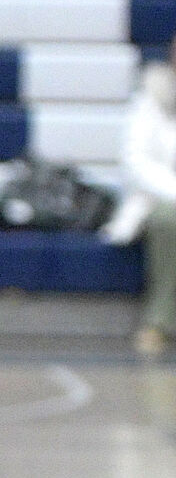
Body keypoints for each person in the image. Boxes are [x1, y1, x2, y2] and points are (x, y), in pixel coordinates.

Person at [103, 36, 176, 356]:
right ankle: (159, 320)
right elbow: (135, 162)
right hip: (161, 198)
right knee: (169, 220)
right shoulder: (152, 94)